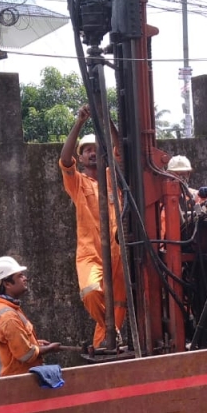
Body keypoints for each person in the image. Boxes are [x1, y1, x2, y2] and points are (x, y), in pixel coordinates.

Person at [59, 104, 127, 349]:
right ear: (82, 156)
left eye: (96, 149)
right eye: (86, 150)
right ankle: (110, 336)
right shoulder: (78, 183)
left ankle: (104, 347)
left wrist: (106, 118)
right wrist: (79, 122)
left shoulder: (114, 178)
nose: (91, 153)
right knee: (90, 292)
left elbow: (123, 152)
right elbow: (65, 160)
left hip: (118, 253)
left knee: (119, 306)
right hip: (91, 253)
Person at [0, 256, 60, 378]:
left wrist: (35, 343)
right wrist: (50, 349)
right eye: (20, 276)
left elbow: (14, 342)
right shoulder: (8, 316)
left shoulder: (0, 307)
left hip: (11, 379)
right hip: (16, 381)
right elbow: (26, 354)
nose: (25, 278)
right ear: (7, 283)